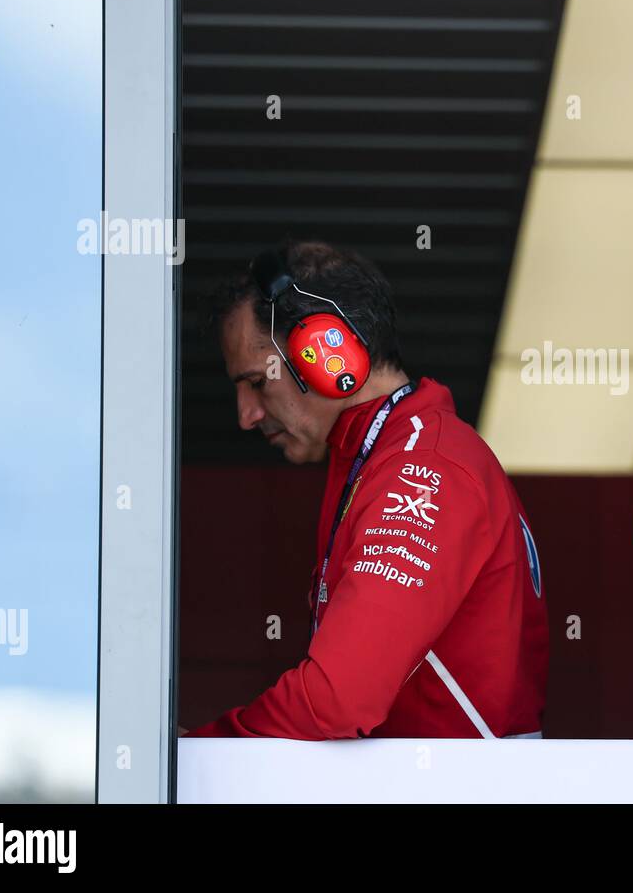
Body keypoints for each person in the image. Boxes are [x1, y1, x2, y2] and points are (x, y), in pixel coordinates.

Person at [184, 240, 548, 738]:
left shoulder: (422, 468)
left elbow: (338, 698)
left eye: (257, 382)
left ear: (328, 352)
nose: (246, 415)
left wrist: (202, 756)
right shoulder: (383, 458)